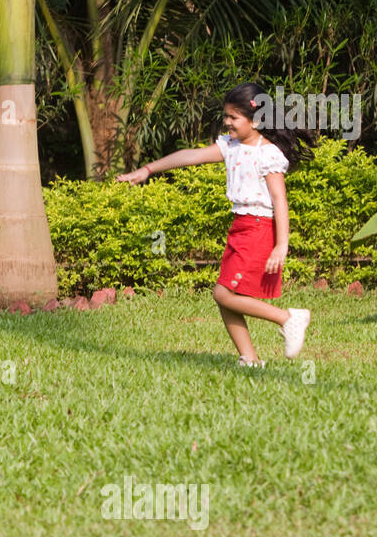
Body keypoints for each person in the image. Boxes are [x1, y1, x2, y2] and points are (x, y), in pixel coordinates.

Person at [116, 83, 313, 367]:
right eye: (226, 116)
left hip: (259, 228)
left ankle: (288, 318)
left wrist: (282, 244)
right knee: (225, 296)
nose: (227, 122)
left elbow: (279, 199)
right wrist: (147, 169)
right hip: (240, 227)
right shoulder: (230, 146)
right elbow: (190, 156)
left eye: (234, 117)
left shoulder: (268, 154)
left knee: (223, 292)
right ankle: (250, 359)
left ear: (256, 119)